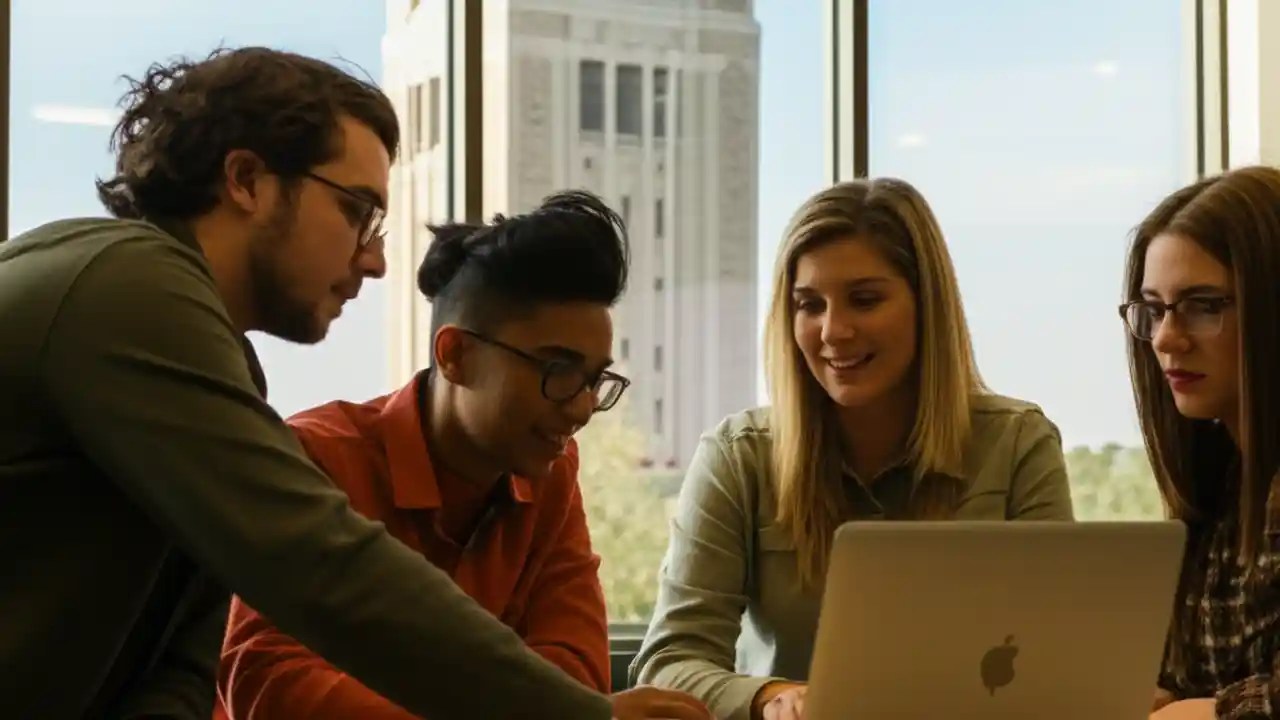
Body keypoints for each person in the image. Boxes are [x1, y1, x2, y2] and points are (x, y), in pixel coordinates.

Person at [0, 46, 705, 720]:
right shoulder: (131, 290)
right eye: (355, 211)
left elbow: (177, 659)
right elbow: (317, 566)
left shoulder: (198, 346)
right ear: (246, 180)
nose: (373, 260)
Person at [629, 178, 1075, 720]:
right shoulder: (738, 456)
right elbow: (671, 661)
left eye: (865, 300)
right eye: (808, 304)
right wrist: (775, 698)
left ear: (925, 305)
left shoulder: (1018, 443)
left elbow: (1058, 656)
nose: (833, 331)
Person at [216, 191, 659, 717]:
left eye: (593, 380)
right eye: (558, 370)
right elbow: (268, 680)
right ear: (455, 355)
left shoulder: (551, 473)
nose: (583, 408)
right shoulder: (316, 458)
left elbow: (574, 668)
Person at [1118, 165, 1280, 720]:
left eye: (1203, 305)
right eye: (1154, 308)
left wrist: (1196, 712)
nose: (1165, 337)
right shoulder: (1217, 486)